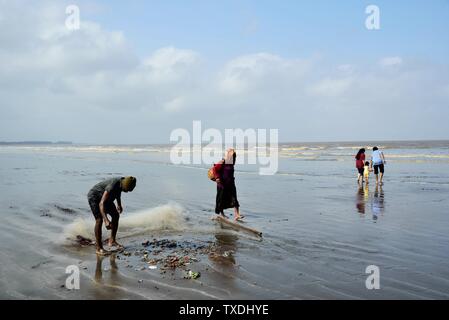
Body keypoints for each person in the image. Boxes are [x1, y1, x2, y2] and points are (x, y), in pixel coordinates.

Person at [87, 176, 136, 255]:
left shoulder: (122, 182)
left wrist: (119, 204)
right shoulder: (113, 185)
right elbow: (101, 203)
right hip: (95, 197)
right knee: (99, 220)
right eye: (126, 190)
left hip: (107, 198)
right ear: (123, 185)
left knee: (116, 215)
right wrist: (106, 220)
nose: (126, 192)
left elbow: (118, 192)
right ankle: (99, 248)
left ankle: (112, 241)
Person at [213, 149, 243, 221]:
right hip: (222, 185)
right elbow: (215, 169)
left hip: (231, 184)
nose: (234, 157)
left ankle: (237, 214)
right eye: (233, 156)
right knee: (221, 199)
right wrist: (217, 178)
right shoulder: (223, 162)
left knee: (234, 199)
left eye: (234, 156)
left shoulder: (232, 163)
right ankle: (222, 214)